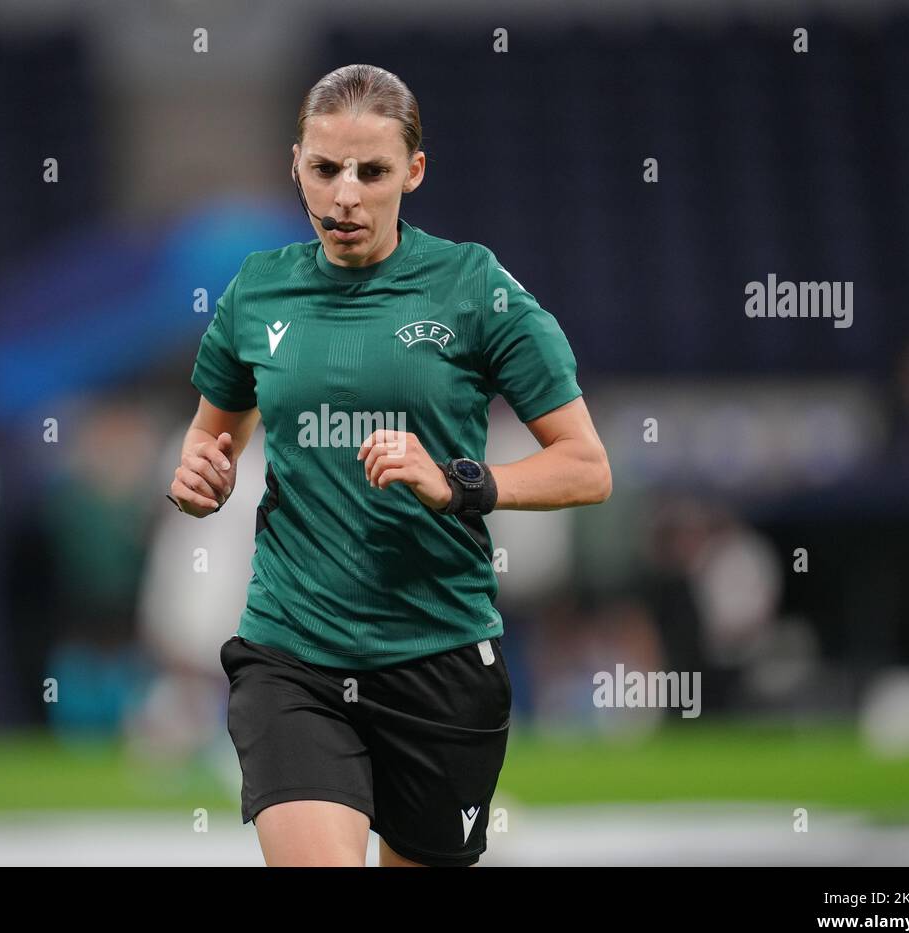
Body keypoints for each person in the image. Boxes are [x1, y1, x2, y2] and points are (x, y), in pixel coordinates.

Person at [167, 64, 611, 866]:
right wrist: (199, 478)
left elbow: (586, 466)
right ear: (294, 162)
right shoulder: (257, 293)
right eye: (325, 168)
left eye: (371, 172)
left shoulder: (474, 288)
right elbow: (210, 442)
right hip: (291, 654)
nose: (345, 195)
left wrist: (462, 483)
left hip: (440, 659)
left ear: (413, 171)